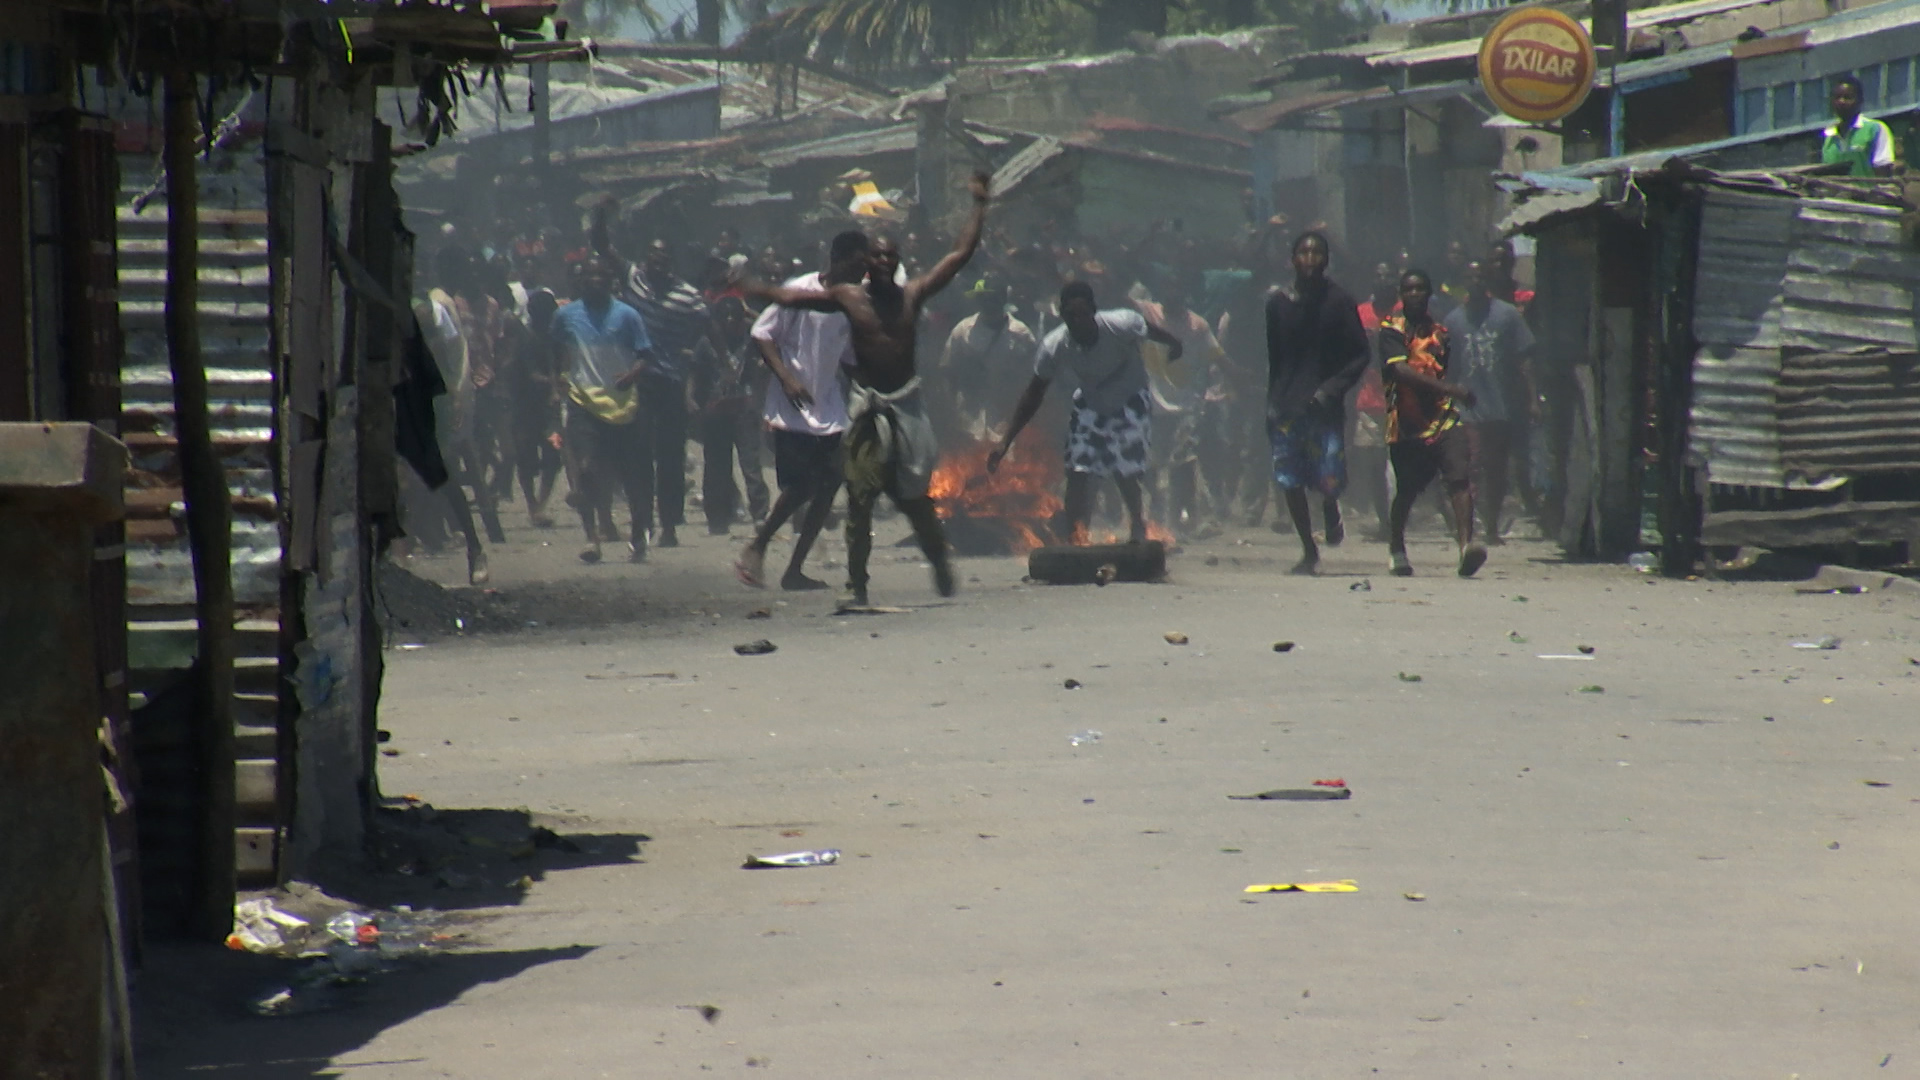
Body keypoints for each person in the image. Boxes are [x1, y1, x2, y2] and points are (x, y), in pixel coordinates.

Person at [746, 174, 994, 608]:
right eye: (874, 257)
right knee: (859, 495)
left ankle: (937, 558)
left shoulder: (912, 295)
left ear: (895, 263)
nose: (880, 263)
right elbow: (796, 300)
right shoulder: (848, 298)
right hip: (866, 407)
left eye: (888, 258)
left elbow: (959, 254)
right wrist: (754, 288)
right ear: (866, 263)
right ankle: (856, 583)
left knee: (914, 496)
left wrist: (979, 205)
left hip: (907, 406)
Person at [989, 281, 1187, 544]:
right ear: (1062, 315)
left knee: (1124, 466)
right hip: (1092, 401)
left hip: (1130, 398)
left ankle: (1138, 524)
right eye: (1070, 315)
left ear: (1093, 311)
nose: (1077, 321)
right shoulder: (1054, 345)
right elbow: (1033, 394)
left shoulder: (1120, 324)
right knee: (1079, 467)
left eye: (1082, 314)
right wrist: (1006, 440)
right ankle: (1076, 533)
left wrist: (1174, 343)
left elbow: (1149, 330)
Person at [734, 230, 868, 592]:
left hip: (828, 407)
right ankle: (757, 546)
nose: (863, 272)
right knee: (802, 485)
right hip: (792, 407)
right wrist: (786, 378)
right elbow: (762, 333)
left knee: (829, 484)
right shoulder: (802, 290)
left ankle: (794, 570)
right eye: (858, 264)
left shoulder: (854, 300)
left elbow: (850, 357)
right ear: (838, 259)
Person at [1264, 231, 1370, 575]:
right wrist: (1271, 402)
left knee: (1329, 476)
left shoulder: (1339, 302)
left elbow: (1359, 355)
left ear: (1326, 260)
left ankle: (1330, 506)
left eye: (1317, 253)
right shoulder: (1277, 303)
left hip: (1324, 407)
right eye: (1304, 252)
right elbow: (1275, 359)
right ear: (1292, 258)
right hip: (1287, 406)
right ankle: (1308, 549)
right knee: (1290, 480)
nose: (1310, 259)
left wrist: (1331, 389)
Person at [1379, 268, 1485, 578]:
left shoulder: (1440, 332)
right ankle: (1396, 547)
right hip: (1406, 422)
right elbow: (1401, 372)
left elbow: (1450, 370)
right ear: (1401, 294)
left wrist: (1457, 392)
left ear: (1429, 294)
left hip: (1442, 417)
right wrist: (1451, 390)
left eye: (1420, 289)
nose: (1415, 294)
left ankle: (1466, 547)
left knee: (1459, 477)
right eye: (1409, 289)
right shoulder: (1391, 329)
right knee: (1408, 489)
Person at [549, 256, 655, 564]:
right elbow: (554, 350)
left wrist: (632, 375)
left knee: (632, 477)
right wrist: (556, 383)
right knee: (586, 468)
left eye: (601, 276)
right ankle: (592, 537)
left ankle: (638, 536)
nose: (595, 282)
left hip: (623, 407)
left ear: (611, 281)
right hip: (583, 403)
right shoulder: (565, 316)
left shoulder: (627, 316)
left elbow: (646, 355)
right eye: (589, 277)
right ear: (580, 281)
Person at [622, 238, 718, 549]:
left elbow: (709, 324)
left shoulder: (688, 296)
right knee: (637, 454)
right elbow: (605, 250)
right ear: (646, 258)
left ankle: (669, 524)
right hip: (637, 382)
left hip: (671, 382)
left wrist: (724, 359)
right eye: (653, 255)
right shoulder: (635, 280)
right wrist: (599, 216)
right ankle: (642, 520)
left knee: (670, 459)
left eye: (664, 257)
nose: (658, 262)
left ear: (671, 262)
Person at [1444, 260, 1537, 546]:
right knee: (1470, 467)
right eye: (1469, 276)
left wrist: (1533, 399)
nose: (1475, 281)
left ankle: (1492, 525)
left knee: (1496, 468)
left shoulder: (1507, 316)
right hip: (1468, 407)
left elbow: (1524, 361)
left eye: (1480, 276)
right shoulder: (1454, 321)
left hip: (1501, 406)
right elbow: (1448, 368)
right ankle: (1468, 526)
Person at [690, 295, 771, 535]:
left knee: (750, 464)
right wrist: (690, 398)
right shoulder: (707, 344)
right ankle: (717, 516)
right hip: (716, 411)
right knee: (716, 466)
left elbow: (770, 336)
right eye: (724, 316)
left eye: (733, 317)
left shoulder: (752, 341)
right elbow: (694, 371)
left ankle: (760, 513)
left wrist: (760, 398)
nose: (728, 321)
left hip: (744, 409)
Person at [931, 276, 1037, 444]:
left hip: (1005, 417)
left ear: (1003, 299)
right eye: (983, 299)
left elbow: (1033, 378)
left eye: (992, 298)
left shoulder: (1021, 334)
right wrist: (952, 412)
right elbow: (946, 370)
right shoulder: (963, 330)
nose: (988, 303)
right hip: (968, 417)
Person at [1349, 262, 1398, 542]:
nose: (1383, 280)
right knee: (1373, 465)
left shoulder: (1406, 312)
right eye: (1378, 275)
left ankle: (1399, 519)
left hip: (1402, 400)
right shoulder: (1361, 314)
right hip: (1369, 400)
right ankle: (1384, 522)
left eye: (1388, 275)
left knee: (1401, 465)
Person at [1822, 75, 1897, 178]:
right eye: (1837, 97)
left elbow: (1883, 173)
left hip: (1868, 193)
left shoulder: (1875, 129)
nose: (1841, 102)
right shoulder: (1827, 136)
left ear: (1860, 101)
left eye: (1847, 98)